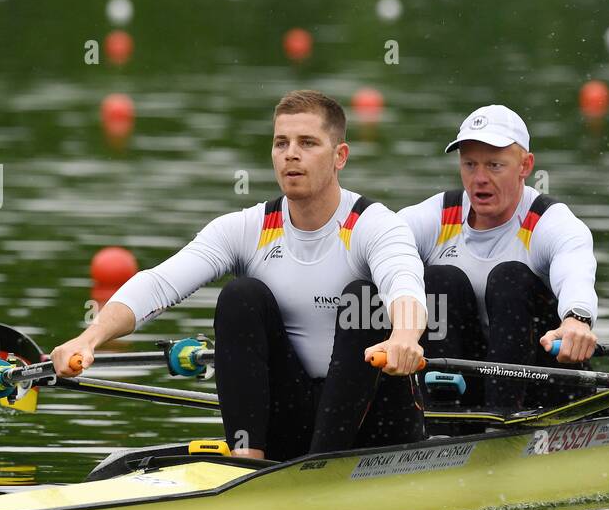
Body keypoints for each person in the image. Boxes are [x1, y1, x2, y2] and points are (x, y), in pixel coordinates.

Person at [51, 90, 427, 460]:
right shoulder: (246, 228)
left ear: (340, 156)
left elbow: (404, 284)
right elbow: (160, 283)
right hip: (294, 418)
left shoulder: (376, 225)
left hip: (377, 424)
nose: (291, 154)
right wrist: (90, 338)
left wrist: (405, 338)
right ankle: (248, 458)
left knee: (362, 295)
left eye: (308, 142)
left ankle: (321, 467)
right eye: (281, 143)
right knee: (240, 296)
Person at [398, 104, 598, 410]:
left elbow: (576, 268)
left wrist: (577, 319)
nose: (479, 178)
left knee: (510, 277)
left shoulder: (549, 221)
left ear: (525, 165)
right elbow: (377, 249)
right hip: (469, 381)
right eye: (469, 164)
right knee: (439, 279)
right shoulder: (437, 215)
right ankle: (442, 418)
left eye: (494, 165)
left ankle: (502, 419)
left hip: (542, 382)